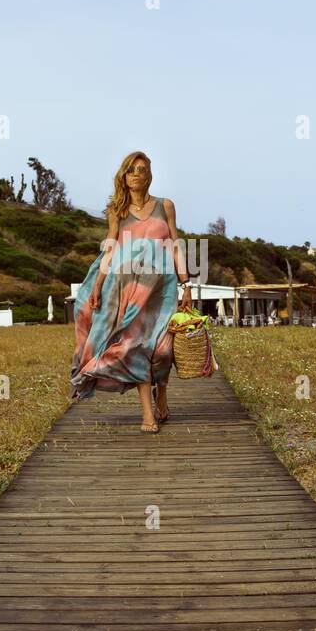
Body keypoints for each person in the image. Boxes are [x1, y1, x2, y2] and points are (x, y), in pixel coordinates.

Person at [70, 151, 192, 433]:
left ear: (150, 174)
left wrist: (187, 284)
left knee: (163, 349)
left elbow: (175, 245)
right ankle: (147, 414)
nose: (138, 173)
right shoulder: (118, 211)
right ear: (124, 177)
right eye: (132, 170)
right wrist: (98, 284)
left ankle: (161, 389)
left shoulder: (166, 206)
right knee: (137, 346)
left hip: (162, 289)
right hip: (129, 291)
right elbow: (110, 249)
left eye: (143, 169)